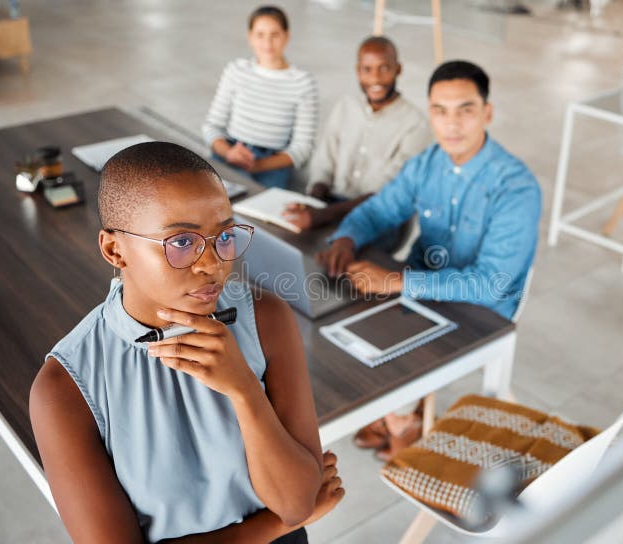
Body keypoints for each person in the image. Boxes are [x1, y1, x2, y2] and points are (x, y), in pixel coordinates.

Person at [29, 142, 343, 543]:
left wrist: (244, 389)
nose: (213, 264)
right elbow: (297, 513)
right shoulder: (65, 389)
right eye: (181, 241)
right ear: (114, 249)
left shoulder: (265, 318)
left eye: (224, 235)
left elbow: (296, 502)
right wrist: (273, 526)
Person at [318, 60, 542, 460]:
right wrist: (346, 236)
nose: (451, 123)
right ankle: (399, 411)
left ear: (487, 113)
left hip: (481, 311)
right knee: (341, 321)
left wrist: (399, 282)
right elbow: (381, 209)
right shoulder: (426, 165)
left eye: (465, 110)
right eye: (439, 110)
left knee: (378, 327)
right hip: (418, 288)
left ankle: (401, 418)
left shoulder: (516, 188)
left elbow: (491, 283)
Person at [283, 36, 431, 232]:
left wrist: (322, 215)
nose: (375, 78)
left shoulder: (416, 123)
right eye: (367, 70)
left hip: (381, 216)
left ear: (398, 69)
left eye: (384, 68)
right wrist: (313, 202)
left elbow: (386, 193)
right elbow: (324, 162)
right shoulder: (345, 106)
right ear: (357, 71)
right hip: (331, 204)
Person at [203, 5, 318, 189]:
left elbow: (302, 148)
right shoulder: (235, 71)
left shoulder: (303, 83)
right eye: (260, 34)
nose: (267, 43)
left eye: (275, 34)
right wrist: (229, 153)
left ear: (287, 36)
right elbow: (211, 126)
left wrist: (259, 165)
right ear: (250, 37)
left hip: (272, 165)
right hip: (229, 153)